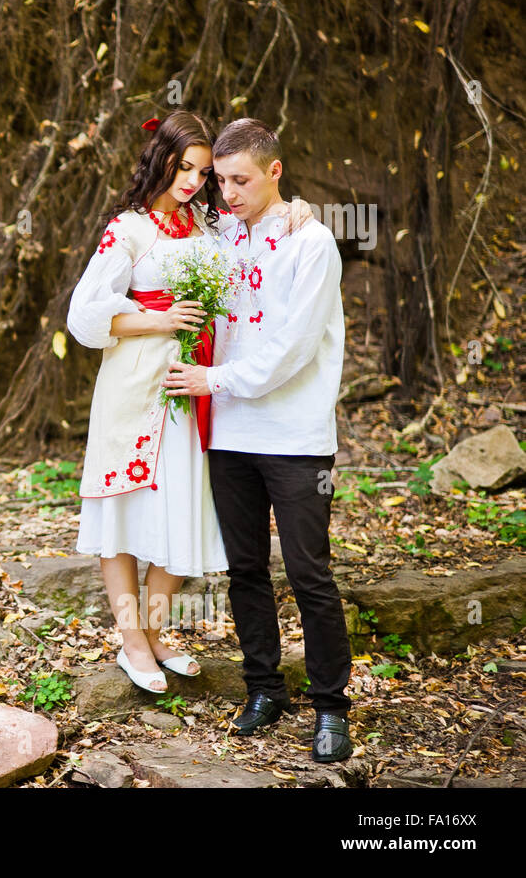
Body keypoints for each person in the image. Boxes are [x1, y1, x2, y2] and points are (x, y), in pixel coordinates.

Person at [66, 110, 310, 694]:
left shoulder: (208, 225)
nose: (194, 182)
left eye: (203, 172)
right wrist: (157, 318)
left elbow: (260, 229)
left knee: (186, 508)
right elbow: (83, 317)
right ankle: (133, 639)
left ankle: (154, 629)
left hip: (195, 386)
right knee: (122, 516)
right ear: (161, 160)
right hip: (134, 386)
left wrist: (295, 211)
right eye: (184, 168)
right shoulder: (128, 230)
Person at [162, 117, 353, 763]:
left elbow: (291, 351)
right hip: (233, 435)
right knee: (245, 568)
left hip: (296, 435)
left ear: (275, 172)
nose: (227, 192)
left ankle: (331, 706)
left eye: (240, 179)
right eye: (219, 180)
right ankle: (264, 688)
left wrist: (210, 377)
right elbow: (153, 225)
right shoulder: (219, 236)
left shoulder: (312, 241)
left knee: (308, 572)